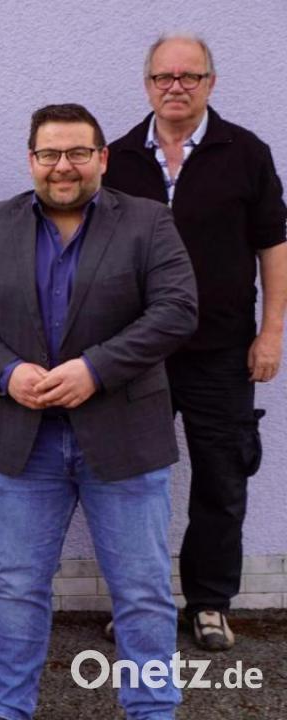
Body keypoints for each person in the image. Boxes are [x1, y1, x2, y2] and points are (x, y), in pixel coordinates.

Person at [0, 103, 198, 720]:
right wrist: (7, 372)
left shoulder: (149, 222)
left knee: (141, 594)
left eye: (78, 153)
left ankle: (153, 710)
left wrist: (95, 369)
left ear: (102, 158)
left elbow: (177, 309)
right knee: (19, 591)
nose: (64, 166)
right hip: (21, 443)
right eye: (50, 154)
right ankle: (8, 710)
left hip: (124, 439)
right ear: (31, 160)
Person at [102, 33, 287, 651]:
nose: (175, 86)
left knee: (221, 477)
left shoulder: (246, 153)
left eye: (189, 76)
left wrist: (271, 333)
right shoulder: (118, 158)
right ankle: (138, 602)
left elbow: (273, 246)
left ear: (211, 82)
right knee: (131, 484)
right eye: (163, 77)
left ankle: (208, 603)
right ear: (147, 83)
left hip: (221, 351)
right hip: (135, 351)